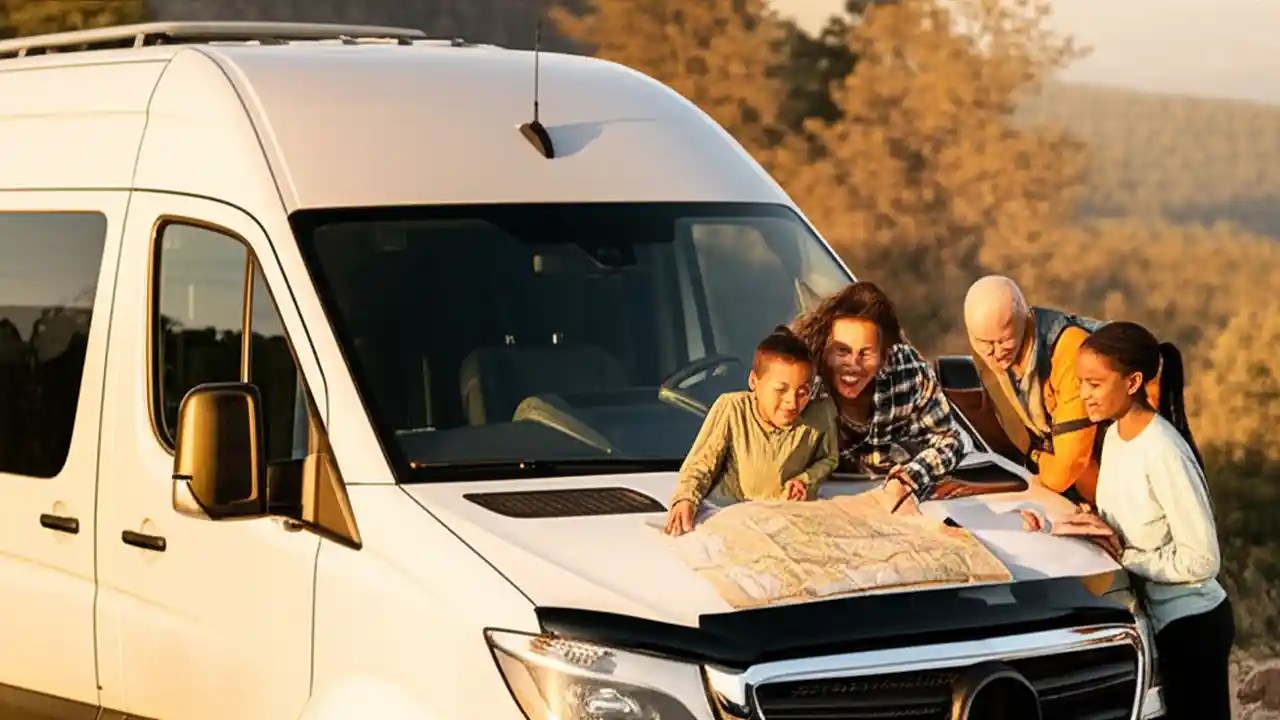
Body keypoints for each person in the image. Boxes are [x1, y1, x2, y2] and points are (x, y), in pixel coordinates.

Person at [1024, 321, 1231, 720]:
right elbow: (1129, 520)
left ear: (1133, 381)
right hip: (1154, 622)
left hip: (1193, 626)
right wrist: (1077, 526)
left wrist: (1127, 557)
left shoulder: (1164, 451)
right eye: (1081, 382)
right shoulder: (1116, 435)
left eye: (1095, 384)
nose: (1083, 394)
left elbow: (1203, 560)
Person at [962, 275, 1160, 504]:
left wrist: (1037, 457)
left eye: (1004, 340)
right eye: (984, 342)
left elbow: (1067, 468)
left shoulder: (1070, 352)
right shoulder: (999, 360)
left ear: (1024, 320)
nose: (995, 352)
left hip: (1129, 497)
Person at [791, 281, 969, 514]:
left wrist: (906, 478)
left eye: (865, 354)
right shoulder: (799, 374)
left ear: (885, 354)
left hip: (888, 503)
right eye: (842, 351)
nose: (852, 366)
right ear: (824, 347)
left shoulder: (907, 370)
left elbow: (948, 440)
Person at [664, 325, 838, 536]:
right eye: (781, 390)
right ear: (754, 381)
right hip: (729, 517)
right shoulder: (732, 409)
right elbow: (702, 463)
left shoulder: (819, 415)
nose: (792, 402)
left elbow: (828, 458)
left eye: (803, 391)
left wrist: (805, 481)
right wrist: (686, 498)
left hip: (788, 523)